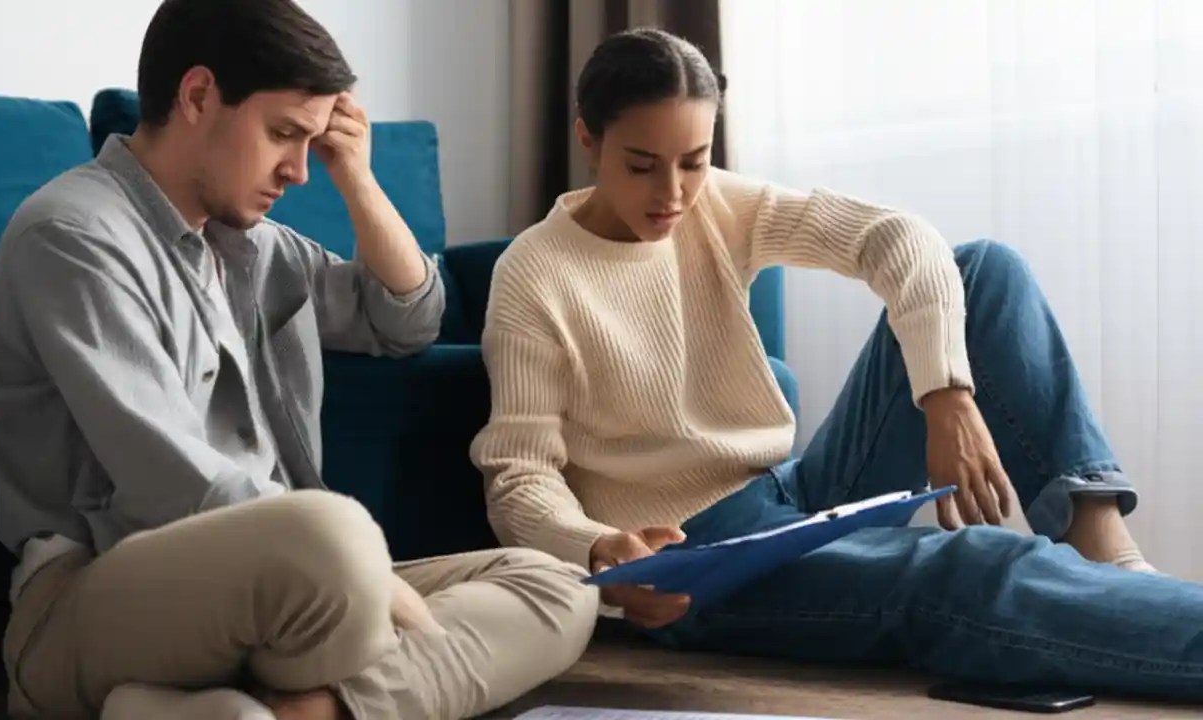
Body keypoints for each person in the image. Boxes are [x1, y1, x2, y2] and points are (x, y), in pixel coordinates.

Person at [472, 27, 1203, 702]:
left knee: (984, 272)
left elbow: (897, 238)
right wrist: (603, 551)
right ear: (587, 141)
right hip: (702, 562)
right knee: (971, 566)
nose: (673, 195)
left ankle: (1109, 551)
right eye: (642, 166)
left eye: (693, 162)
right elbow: (519, 475)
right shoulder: (535, 275)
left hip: (785, 496)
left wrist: (944, 391)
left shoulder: (718, 205)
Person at [0, 1, 597, 718]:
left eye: (312, 141)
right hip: (88, 597)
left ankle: (295, 711)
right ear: (198, 96)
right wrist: (356, 569)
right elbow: (167, 477)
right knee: (332, 534)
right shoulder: (74, 236)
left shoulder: (254, 248)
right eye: (284, 134)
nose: (298, 171)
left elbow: (406, 319)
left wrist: (355, 175)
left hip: (293, 586)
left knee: (559, 585)